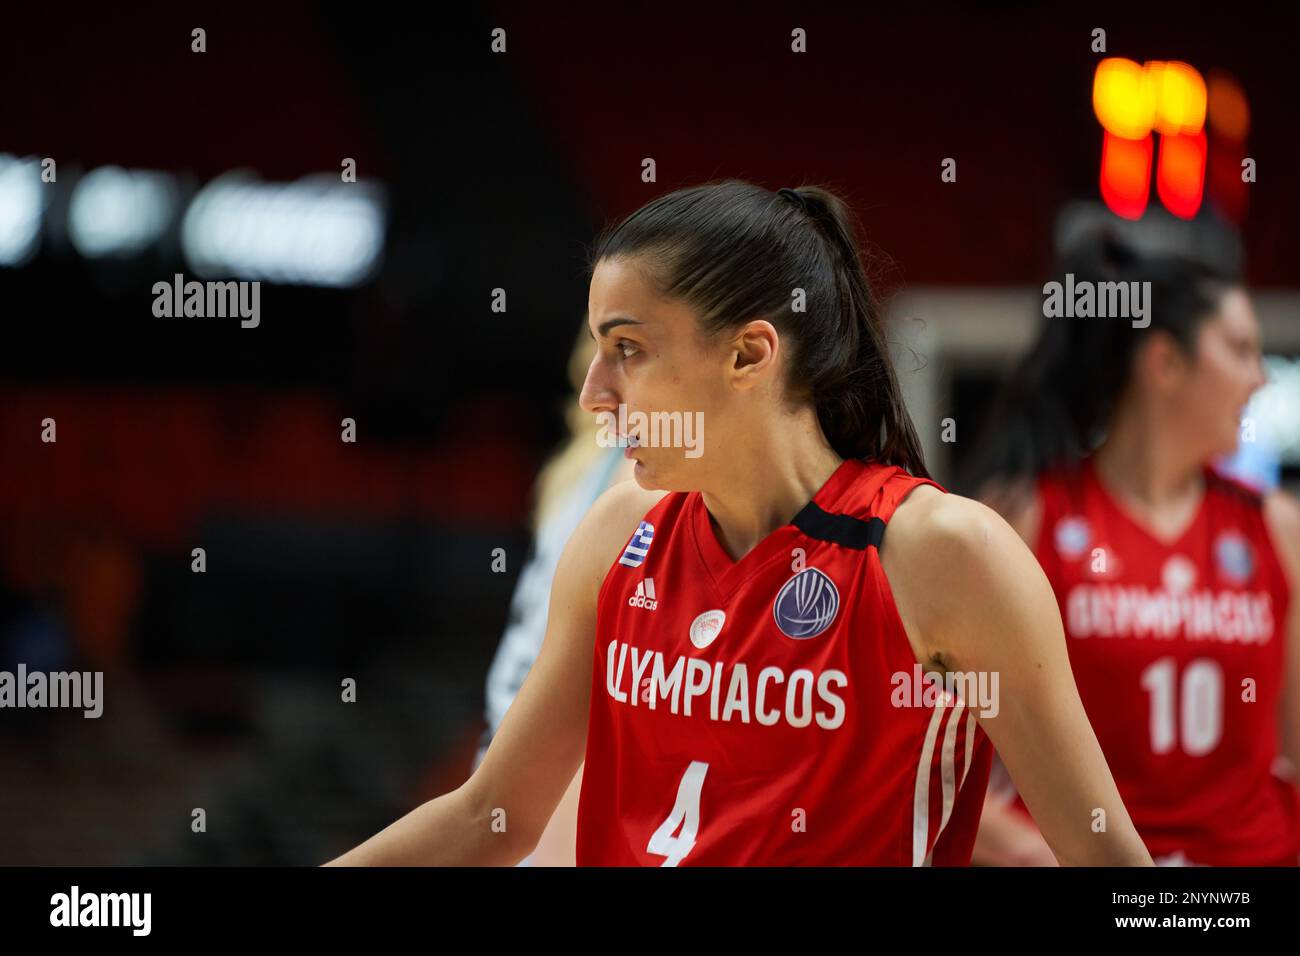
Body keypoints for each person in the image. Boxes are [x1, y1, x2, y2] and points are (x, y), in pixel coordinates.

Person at [326, 180, 1152, 866]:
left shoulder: (938, 552)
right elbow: (487, 820)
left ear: (751, 354)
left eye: (629, 349)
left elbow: (1107, 863)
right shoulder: (620, 537)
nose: (594, 394)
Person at [964, 232, 1300, 866]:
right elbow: (933, 755)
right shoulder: (1025, 519)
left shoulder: (1278, 530)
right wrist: (1037, 855)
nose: (1260, 378)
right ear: (1165, 364)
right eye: (1240, 350)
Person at [472, 325, 633, 866]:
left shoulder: (664, 480)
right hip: (514, 740)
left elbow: (611, 689)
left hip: (560, 783)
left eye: (629, 346)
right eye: (602, 340)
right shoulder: (582, 464)